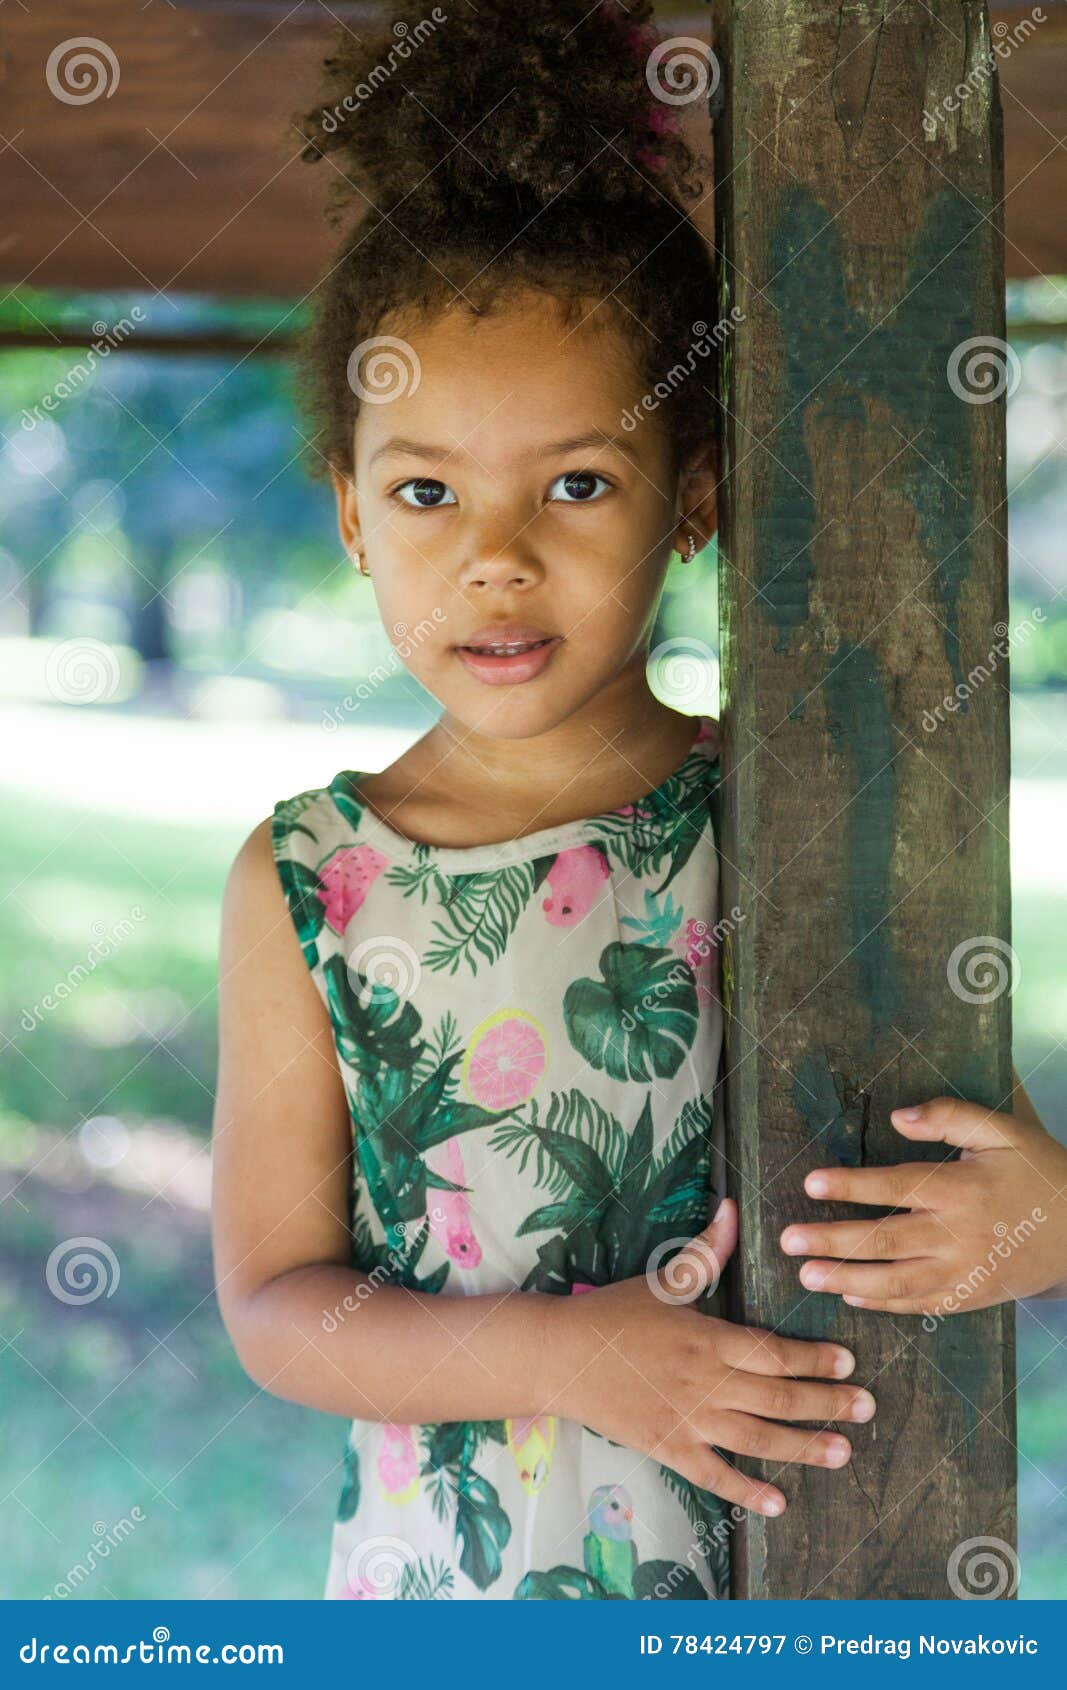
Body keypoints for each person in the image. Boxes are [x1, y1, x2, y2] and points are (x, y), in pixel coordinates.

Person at [210, 0, 1067, 1601]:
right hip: (453, 1594)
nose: (498, 554)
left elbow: (978, 1151)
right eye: (425, 490)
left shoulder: (801, 807)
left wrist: (1053, 1217)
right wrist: (566, 1356)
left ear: (696, 497)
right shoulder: (305, 878)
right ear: (348, 512)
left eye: (579, 483)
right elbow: (275, 1304)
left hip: (812, 1568)